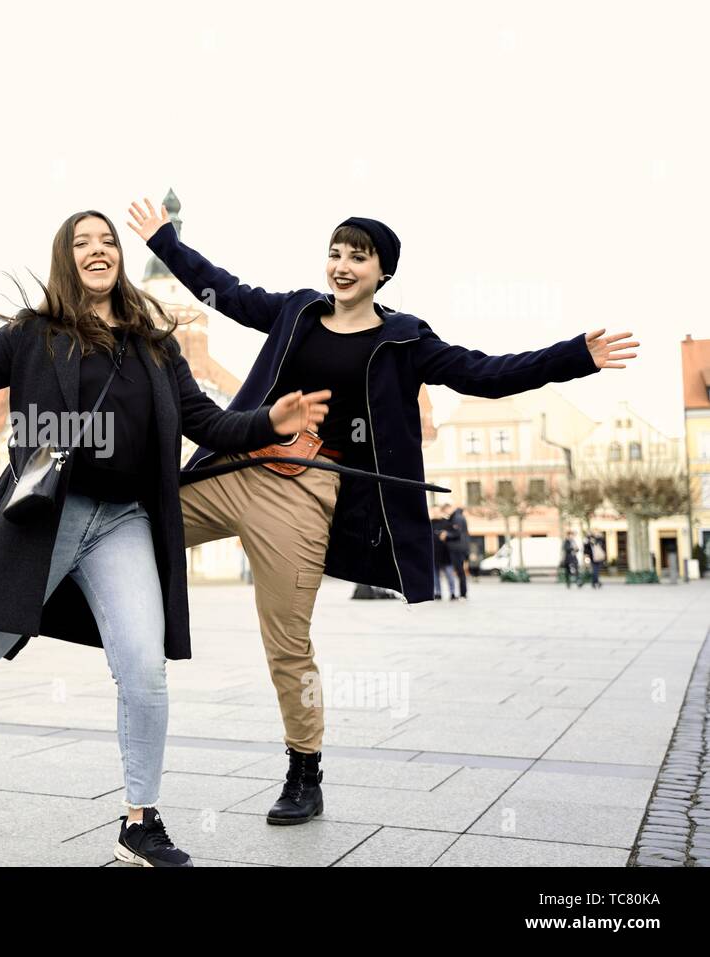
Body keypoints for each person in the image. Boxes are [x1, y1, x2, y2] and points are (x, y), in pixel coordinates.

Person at [0, 209, 330, 867]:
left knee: (144, 668)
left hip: (123, 522)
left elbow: (205, 420)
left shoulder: (155, 344)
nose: (99, 249)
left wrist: (268, 420)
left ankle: (139, 823)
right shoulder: (35, 333)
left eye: (108, 240)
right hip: (45, 519)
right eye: (83, 242)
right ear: (67, 259)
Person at [126, 197, 640, 825]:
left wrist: (574, 355)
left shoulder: (405, 340)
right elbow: (225, 292)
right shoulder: (296, 311)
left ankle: (303, 772)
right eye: (336, 252)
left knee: (286, 644)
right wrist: (165, 241)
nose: (342, 265)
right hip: (241, 465)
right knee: (131, 520)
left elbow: (486, 374)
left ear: (382, 272)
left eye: (358, 257)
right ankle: (25, 596)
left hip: (304, 493)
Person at [442, 504, 470, 599]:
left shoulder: (457, 518)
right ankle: (463, 593)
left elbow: (457, 533)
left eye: (445, 511)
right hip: (459, 547)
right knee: (460, 571)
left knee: (460, 571)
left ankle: (463, 594)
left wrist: (447, 534)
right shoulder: (457, 517)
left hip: (457, 548)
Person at [431, 508, 457, 600]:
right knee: (435, 576)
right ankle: (437, 593)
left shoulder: (446, 523)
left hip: (446, 555)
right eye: (433, 511)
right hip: (434, 554)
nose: (435, 513)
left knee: (450, 575)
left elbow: (456, 534)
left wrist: (447, 534)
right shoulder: (429, 524)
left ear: (441, 512)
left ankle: (453, 593)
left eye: (436, 511)